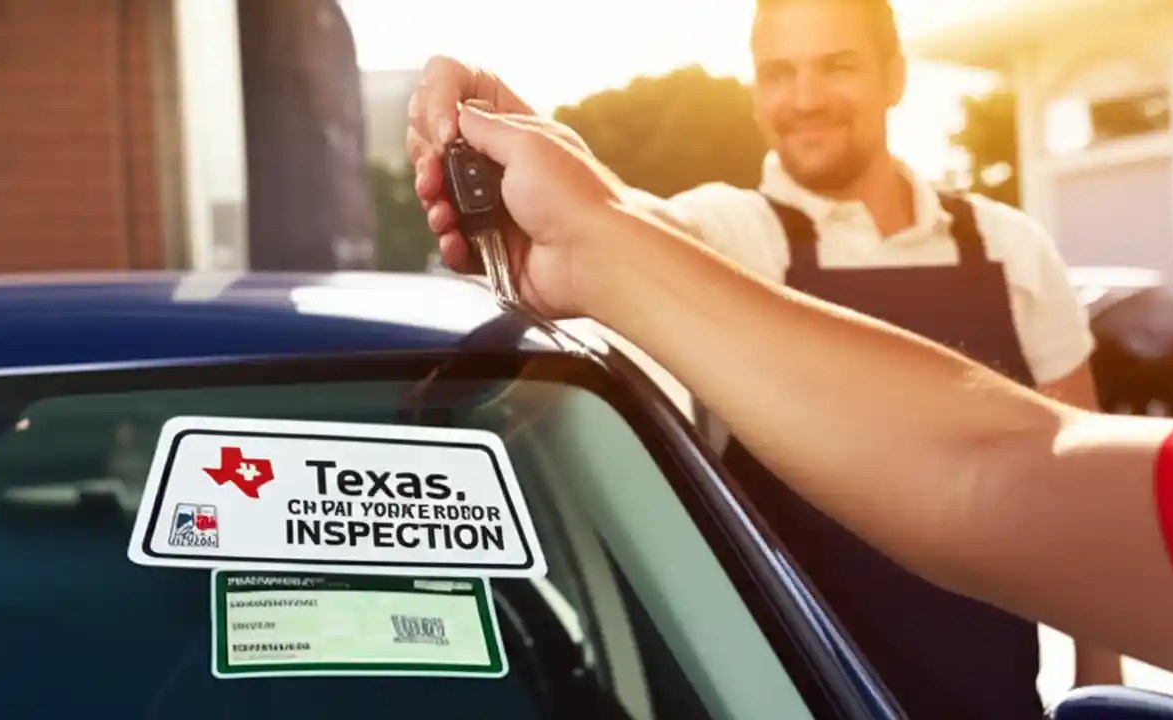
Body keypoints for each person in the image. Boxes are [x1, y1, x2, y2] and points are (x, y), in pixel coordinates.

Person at [407, 0, 1122, 716]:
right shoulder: (725, 235)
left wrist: (1104, 698)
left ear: (895, 76)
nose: (805, 98)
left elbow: (1085, 515)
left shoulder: (1012, 248)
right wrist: (510, 118)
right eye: (780, 72)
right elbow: (623, 223)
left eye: (836, 66)